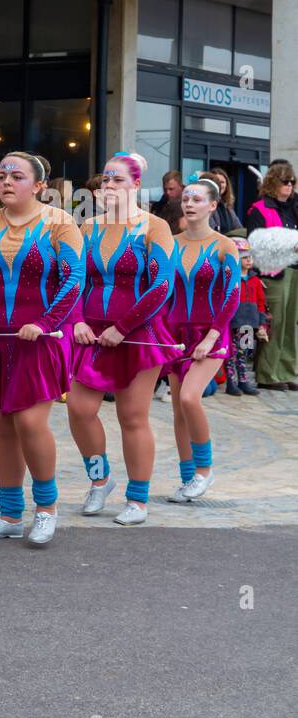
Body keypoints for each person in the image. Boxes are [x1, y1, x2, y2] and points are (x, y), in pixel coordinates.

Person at [0, 152, 83, 547]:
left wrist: (47, 323)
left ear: (38, 186)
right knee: (4, 429)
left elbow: (73, 280)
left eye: (17, 176)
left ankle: (47, 509)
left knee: (31, 424)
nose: (6, 182)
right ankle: (10, 514)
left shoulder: (60, 223)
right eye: (1, 176)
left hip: (40, 339)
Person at [68, 152, 174, 526]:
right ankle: (100, 479)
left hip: (139, 334)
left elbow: (162, 286)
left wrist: (122, 328)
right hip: (92, 333)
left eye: (117, 180)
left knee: (132, 416)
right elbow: (74, 281)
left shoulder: (154, 227)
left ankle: (138, 499)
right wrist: (77, 320)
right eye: (105, 180)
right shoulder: (87, 228)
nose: (108, 186)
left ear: (134, 185)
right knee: (79, 409)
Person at [164, 177, 240, 503]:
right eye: (186, 199)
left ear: (213, 205)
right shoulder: (170, 243)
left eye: (197, 200)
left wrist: (211, 337)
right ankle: (187, 479)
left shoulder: (226, 246)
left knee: (190, 399)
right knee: (179, 411)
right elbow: (162, 292)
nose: (189, 204)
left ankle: (205, 471)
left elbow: (233, 295)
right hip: (175, 335)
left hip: (212, 333)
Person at [245, 161, 298, 390]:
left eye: (292, 181)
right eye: (285, 181)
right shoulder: (258, 209)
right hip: (273, 272)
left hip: (294, 270)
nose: (289, 186)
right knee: (273, 325)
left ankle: (285, 371)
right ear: (273, 183)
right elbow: (255, 245)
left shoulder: (295, 206)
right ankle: (268, 374)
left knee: (289, 325)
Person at [225, 237, 268, 396]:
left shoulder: (255, 280)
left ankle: (243, 381)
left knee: (245, 352)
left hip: (249, 323)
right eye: (245, 257)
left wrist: (262, 322)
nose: (249, 260)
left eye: (250, 257)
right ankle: (231, 381)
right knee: (231, 352)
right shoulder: (231, 277)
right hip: (233, 321)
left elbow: (261, 302)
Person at [205, 168, 244, 236]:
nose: (220, 184)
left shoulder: (227, 206)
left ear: (227, 185)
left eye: (222, 182)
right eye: (217, 181)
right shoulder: (206, 204)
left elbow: (238, 228)